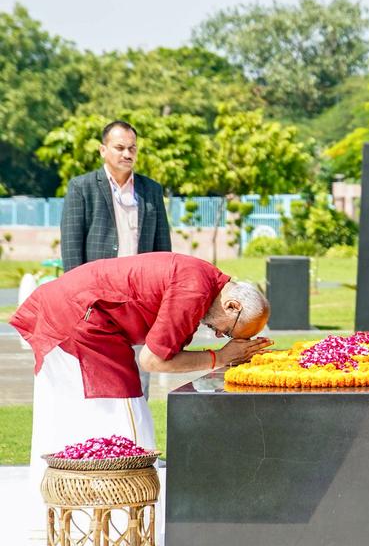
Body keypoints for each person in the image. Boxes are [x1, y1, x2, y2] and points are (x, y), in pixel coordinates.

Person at [10, 253, 272, 478]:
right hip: (78, 317)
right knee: (129, 421)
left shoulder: (203, 280)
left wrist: (219, 355)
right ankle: (128, 515)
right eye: (227, 332)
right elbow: (152, 360)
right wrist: (221, 357)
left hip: (64, 309)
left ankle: (71, 506)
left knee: (66, 418)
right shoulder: (194, 289)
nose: (217, 335)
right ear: (232, 305)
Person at [60, 120, 173, 399]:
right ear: (103, 150)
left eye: (132, 148)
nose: (127, 154)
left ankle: (136, 438)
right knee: (99, 371)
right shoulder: (82, 188)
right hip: (98, 298)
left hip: (141, 299)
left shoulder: (151, 190)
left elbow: (163, 248)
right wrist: (78, 300)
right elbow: (72, 247)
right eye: (119, 147)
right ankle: (102, 437)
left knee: (139, 372)